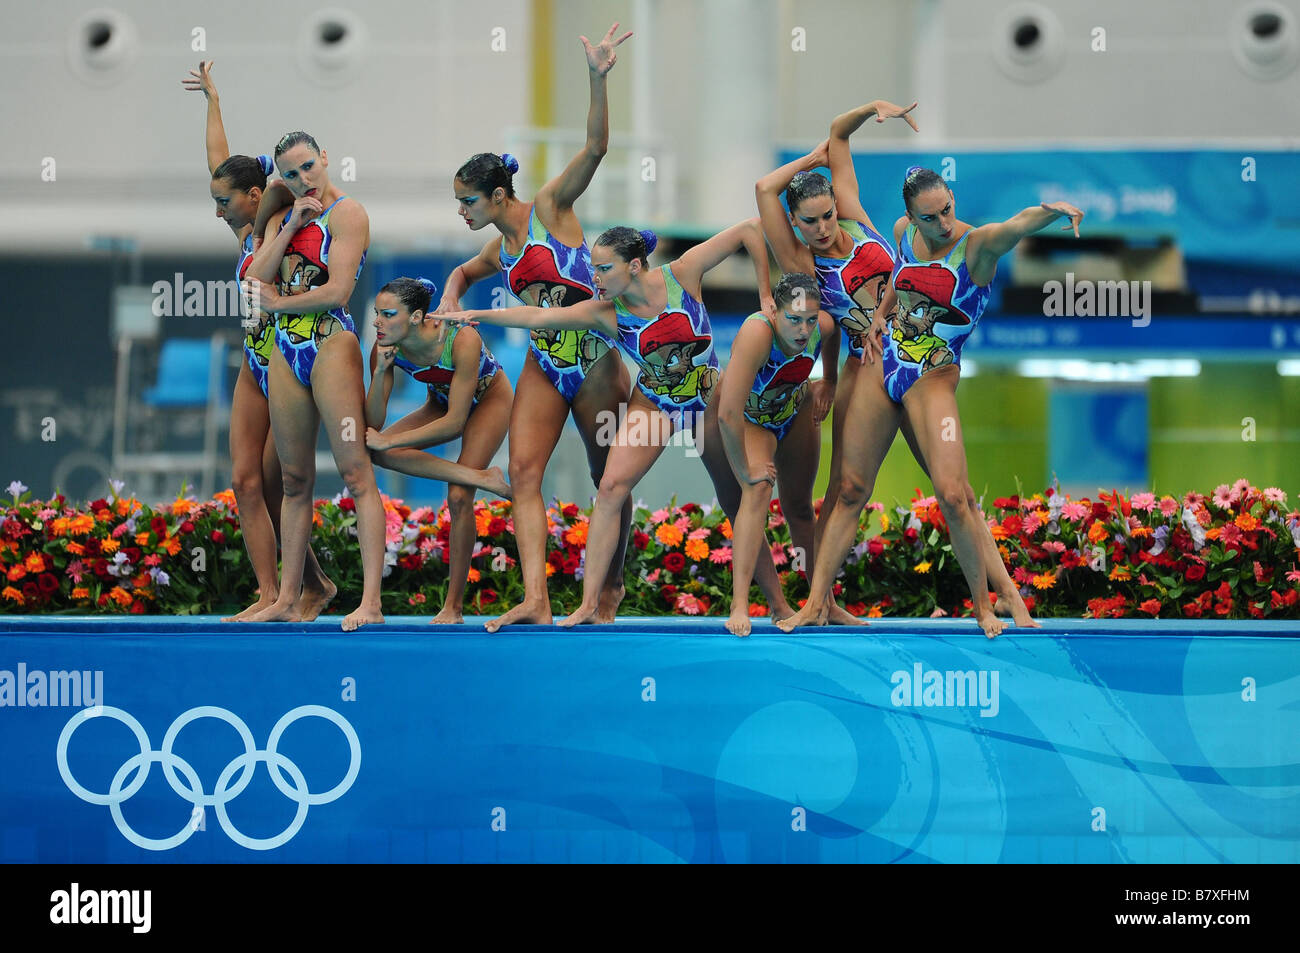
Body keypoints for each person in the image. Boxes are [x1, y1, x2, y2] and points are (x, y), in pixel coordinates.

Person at [779, 162, 1082, 637]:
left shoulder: (975, 246)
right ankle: (816, 604)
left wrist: (1050, 213)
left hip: (932, 380)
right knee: (850, 490)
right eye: (930, 218)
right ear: (909, 217)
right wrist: (880, 315)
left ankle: (987, 607)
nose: (942, 224)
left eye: (947, 210)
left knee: (953, 496)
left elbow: (1013, 227)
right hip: (885, 368)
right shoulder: (902, 234)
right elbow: (900, 280)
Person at [445, 219, 774, 626]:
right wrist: (474, 313)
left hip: (708, 399)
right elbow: (537, 318)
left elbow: (749, 230)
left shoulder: (683, 273)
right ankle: (590, 603)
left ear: (634, 266)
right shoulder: (605, 314)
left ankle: (776, 605)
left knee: (736, 500)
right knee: (611, 486)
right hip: (655, 403)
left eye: (603, 269)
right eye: (593, 268)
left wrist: (765, 295)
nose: (593, 277)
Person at [435, 23, 635, 632]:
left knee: (609, 479)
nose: (461, 211)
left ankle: (611, 586)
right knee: (523, 473)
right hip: (546, 364)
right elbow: (462, 275)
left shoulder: (552, 208)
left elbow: (596, 148)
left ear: (498, 196)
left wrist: (597, 80)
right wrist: (447, 300)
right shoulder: (498, 252)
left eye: (468, 202)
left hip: (597, 363)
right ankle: (536, 598)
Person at [182, 60, 336, 622]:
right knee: (246, 480)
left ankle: (303, 590)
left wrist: (287, 191)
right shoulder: (245, 227)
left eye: (224, 201)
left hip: (290, 363)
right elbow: (218, 163)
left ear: (253, 194)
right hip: (254, 364)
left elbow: (280, 181)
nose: (216, 211)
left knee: (281, 482)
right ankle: (273, 593)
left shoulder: (283, 223)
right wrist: (213, 104)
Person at [755, 99, 919, 625]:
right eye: (810, 221)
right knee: (841, 491)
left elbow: (838, 135)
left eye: (826, 216)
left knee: (949, 485)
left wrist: (873, 108)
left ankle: (1001, 595)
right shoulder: (803, 261)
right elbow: (764, 190)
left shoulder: (855, 217)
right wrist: (807, 161)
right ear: (795, 225)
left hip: (913, 357)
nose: (824, 228)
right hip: (862, 368)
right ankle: (818, 604)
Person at [240, 131, 384, 631]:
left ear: (325, 158)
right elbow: (253, 278)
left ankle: (370, 602)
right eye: (291, 173)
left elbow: (339, 292)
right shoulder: (287, 215)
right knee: (295, 479)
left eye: (308, 166)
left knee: (355, 475)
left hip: (329, 345)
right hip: (286, 349)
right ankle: (286, 596)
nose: (304, 179)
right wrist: (287, 225)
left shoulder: (349, 214)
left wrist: (278, 303)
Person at [365, 277, 514, 623]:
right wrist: (381, 372)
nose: (377, 322)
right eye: (376, 313)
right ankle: (483, 477)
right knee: (378, 452)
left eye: (388, 314)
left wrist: (391, 439)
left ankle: (453, 607)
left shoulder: (460, 338)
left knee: (460, 497)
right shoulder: (386, 348)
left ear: (417, 317)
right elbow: (374, 421)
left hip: (489, 399)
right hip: (440, 402)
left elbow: (456, 423)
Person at [698, 272, 835, 636]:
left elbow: (831, 338)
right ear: (775, 311)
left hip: (792, 408)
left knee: (802, 507)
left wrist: (830, 381)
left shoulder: (823, 326)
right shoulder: (757, 333)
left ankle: (824, 604)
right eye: (794, 319)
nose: (804, 330)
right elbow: (728, 413)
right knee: (756, 492)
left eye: (809, 319)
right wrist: (745, 470)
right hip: (744, 418)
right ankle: (742, 605)